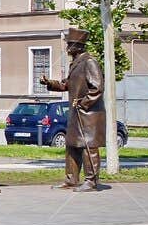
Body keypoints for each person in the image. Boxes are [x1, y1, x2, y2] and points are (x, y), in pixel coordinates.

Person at [39, 26, 105, 192]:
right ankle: (71, 179)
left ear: (79, 46)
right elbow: (66, 84)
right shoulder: (75, 63)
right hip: (76, 113)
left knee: (88, 146)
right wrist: (49, 83)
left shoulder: (89, 62)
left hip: (89, 114)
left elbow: (97, 88)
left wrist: (83, 103)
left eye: (70, 45)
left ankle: (91, 181)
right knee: (72, 145)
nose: (68, 48)